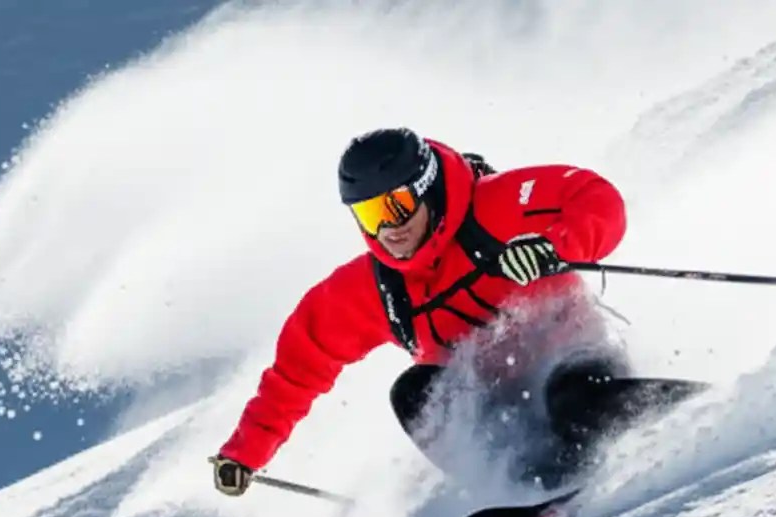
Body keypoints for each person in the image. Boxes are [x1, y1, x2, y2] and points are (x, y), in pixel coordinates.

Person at [210, 128, 703, 497]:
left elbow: (594, 197)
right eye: (369, 215)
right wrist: (244, 454)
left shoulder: (496, 206)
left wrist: (555, 245)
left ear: (425, 188)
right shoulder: (375, 286)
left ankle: (701, 413)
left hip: (573, 365)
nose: (388, 229)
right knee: (414, 391)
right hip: (495, 410)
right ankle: (516, 493)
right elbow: (298, 368)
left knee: (571, 401)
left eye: (397, 207)